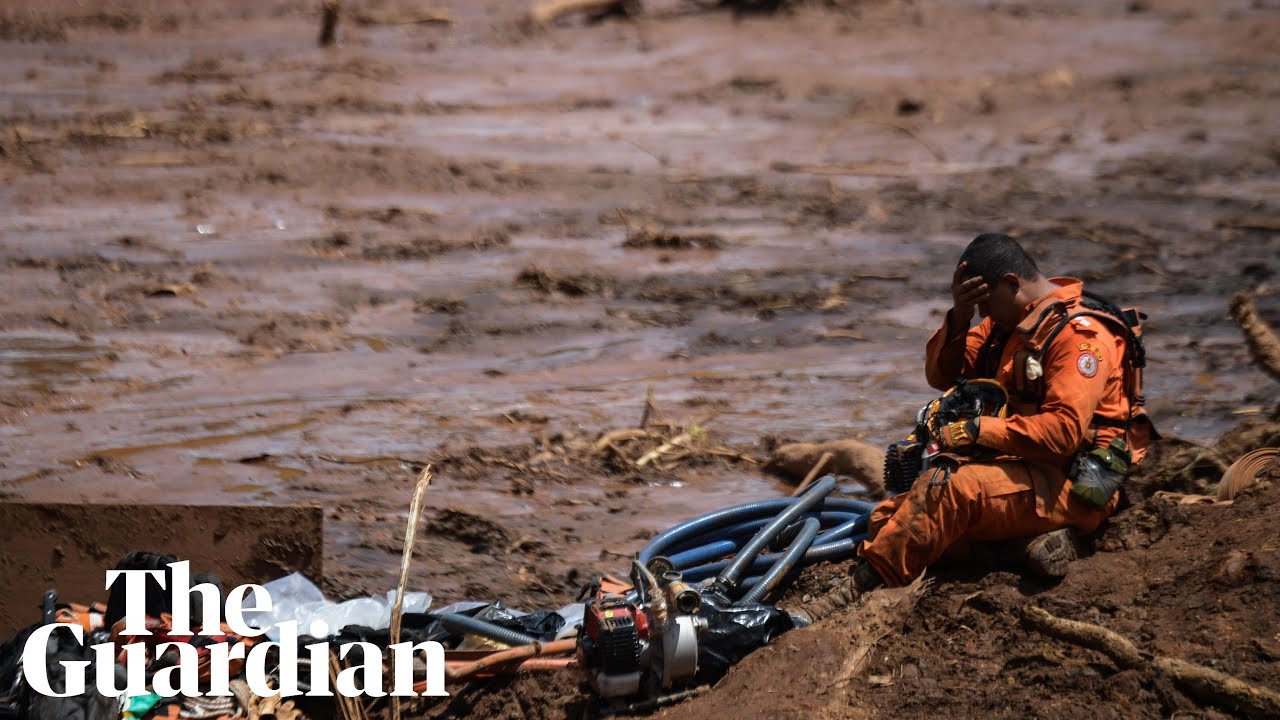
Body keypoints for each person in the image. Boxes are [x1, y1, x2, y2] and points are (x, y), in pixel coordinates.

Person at [852, 233, 1153, 589]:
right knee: (887, 519)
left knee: (948, 490)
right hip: (1020, 471)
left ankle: (853, 592)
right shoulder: (1007, 325)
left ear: (1011, 284)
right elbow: (942, 376)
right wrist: (960, 316)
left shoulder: (1078, 337)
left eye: (984, 304)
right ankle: (1014, 552)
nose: (983, 314)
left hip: (1072, 485)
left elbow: (1063, 432)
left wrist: (978, 430)